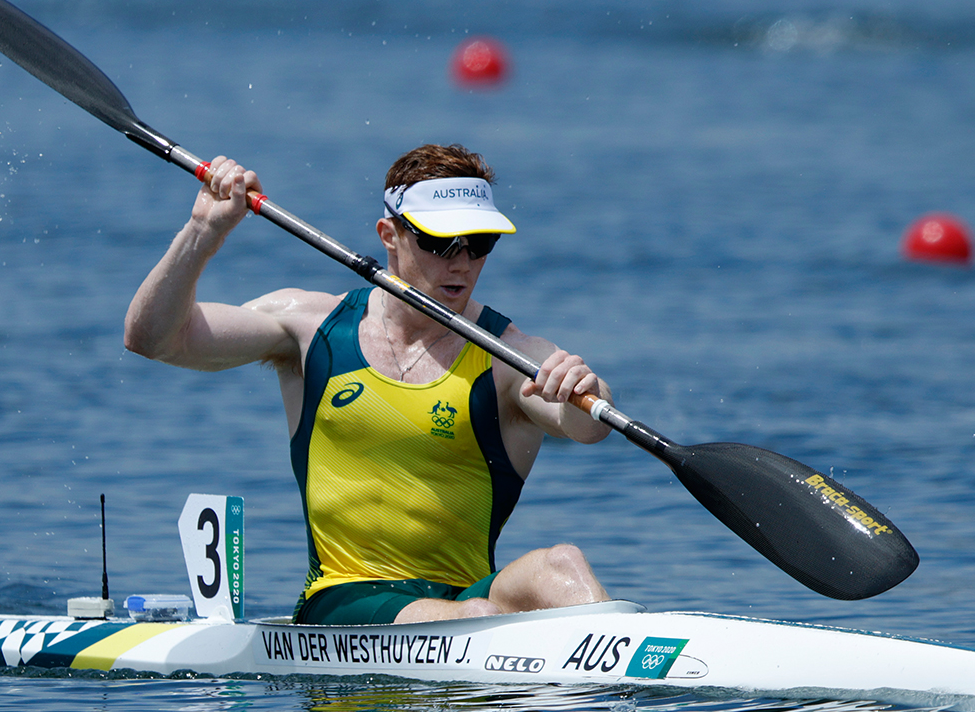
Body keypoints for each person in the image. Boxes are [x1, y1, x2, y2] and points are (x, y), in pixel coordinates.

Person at [125, 143, 615, 625]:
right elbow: (154, 338)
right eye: (440, 242)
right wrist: (203, 231)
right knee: (475, 615)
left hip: (467, 597)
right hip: (342, 597)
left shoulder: (510, 356)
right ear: (389, 235)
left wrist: (586, 389)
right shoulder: (311, 327)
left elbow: (588, 427)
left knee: (561, 565)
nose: (462, 263)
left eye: (479, 242)